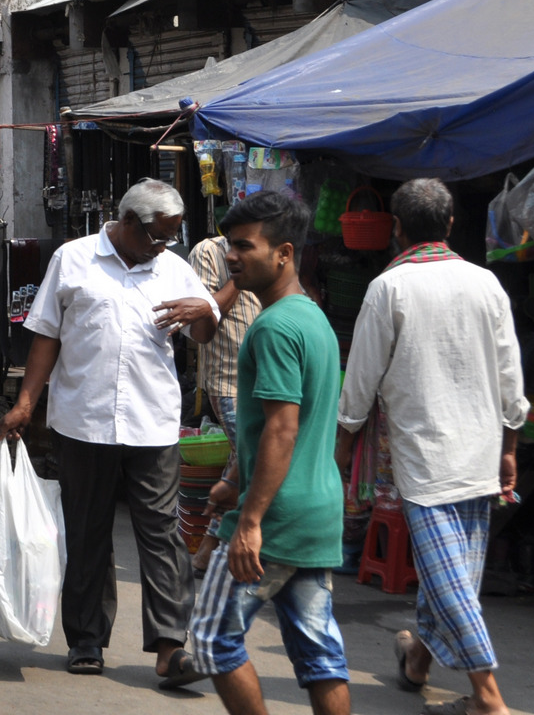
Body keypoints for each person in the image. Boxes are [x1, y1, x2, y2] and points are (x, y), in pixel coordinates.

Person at [0, 178, 220, 683]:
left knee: (162, 534)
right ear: (127, 222)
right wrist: (26, 402)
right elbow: (46, 337)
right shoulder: (73, 259)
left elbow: (203, 333)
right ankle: (86, 639)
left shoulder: (173, 268)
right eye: (157, 235)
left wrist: (203, 310)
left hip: (153, 423)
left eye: (171, 236)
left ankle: (170, 647)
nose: (164, 245)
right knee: (87, 529)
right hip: (83, 420)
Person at [337, 179, 525, 715]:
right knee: (454, 573)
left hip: (425, 457)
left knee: (451, 580)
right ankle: (417, 660)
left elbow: (361, 380)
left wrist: (343, 448)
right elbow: (511, 378)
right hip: (480, 451)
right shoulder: (486, 283)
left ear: (396, 229)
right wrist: (511, 447)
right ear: (448, 225)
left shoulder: (389, 288)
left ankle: (488, 698)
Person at [190, 191, 349, 715]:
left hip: (274, 518)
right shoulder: (313, 318)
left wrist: (250, 519)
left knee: (213, 640)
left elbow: (282, 429)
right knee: (320, 657)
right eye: (229, 245)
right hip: (315, 512)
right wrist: (234, 478)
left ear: (283, 253)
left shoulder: (275, 327)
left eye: (243, 247)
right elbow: (271, 429)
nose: (231, 257)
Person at [188, 231, 265, 572]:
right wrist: (239, 274)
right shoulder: (209, 252)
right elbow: (204, 318)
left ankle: (208, 550)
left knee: (242, 462)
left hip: (267, 379)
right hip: (230, 380)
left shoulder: (268, 248)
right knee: (252, 463)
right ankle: (222, 550)